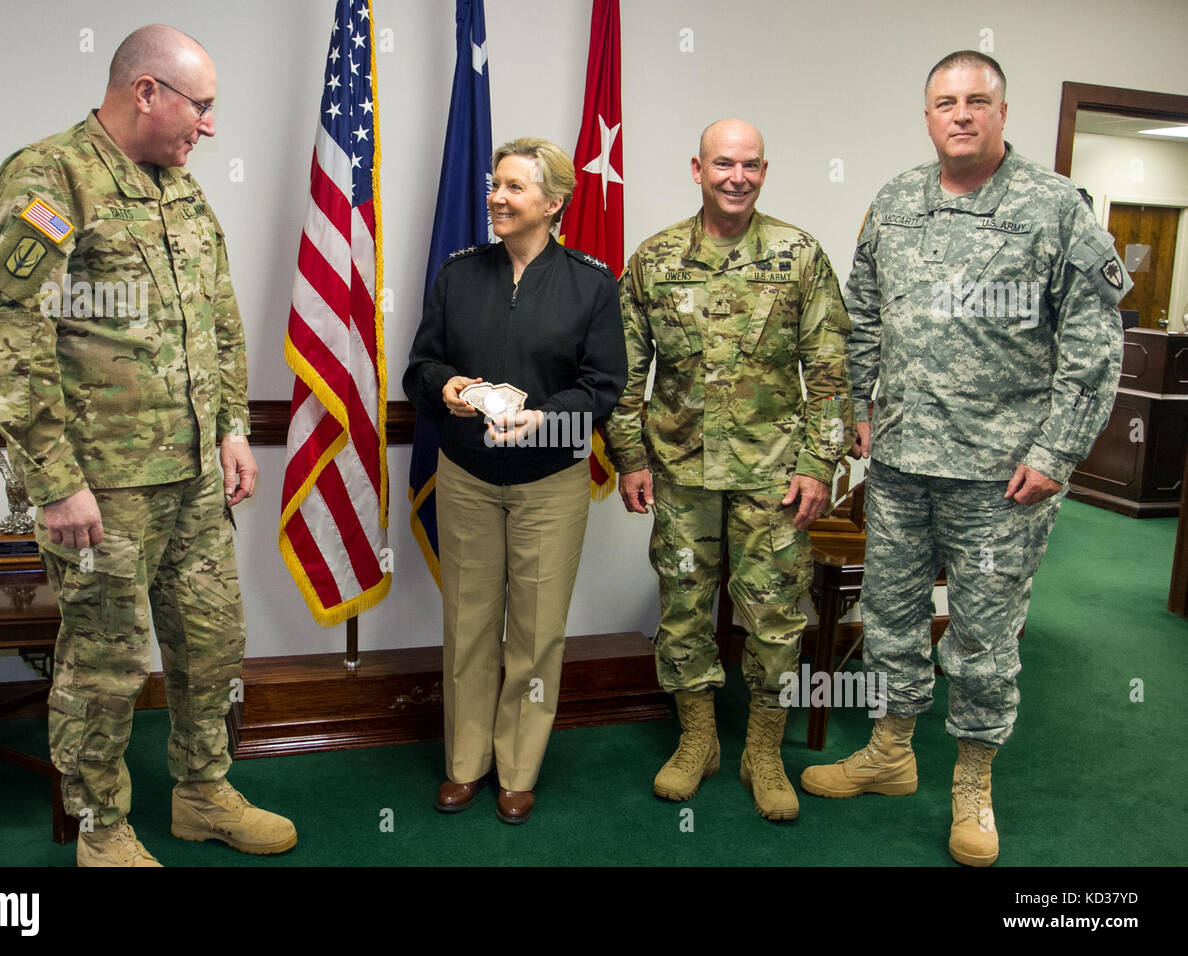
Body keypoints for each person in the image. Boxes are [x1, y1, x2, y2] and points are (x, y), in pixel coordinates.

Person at [800, 51, 1130, 866]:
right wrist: (858, 410)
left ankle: (974, 782)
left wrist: (1058, 452)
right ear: (927, 116)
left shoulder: (1056, 209)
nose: (960, 115)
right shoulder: (897, 200)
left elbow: (1094, 345)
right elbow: (863, 314)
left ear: (1002, 113)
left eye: (976, 101)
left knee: (983, 639)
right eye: (945, 102)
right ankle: (890, 754)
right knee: (889, 619)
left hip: (1003, 476)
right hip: (904, 464)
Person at [0, 24, 295, 866]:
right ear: (146, 90)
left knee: (211, 644)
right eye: (203, 105)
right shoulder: (49, 180)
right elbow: (13, 338)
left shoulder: (180, 188)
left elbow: (219, 319)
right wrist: (54, 482)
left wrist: (231, 428)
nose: (211, 125)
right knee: (107, 665)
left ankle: (201, 793)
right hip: (102, 487)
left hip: (192, 476)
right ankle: (102, 828)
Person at [605, 119, 854, 822]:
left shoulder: (798, 254)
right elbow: (626, 375)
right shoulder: (654, 259)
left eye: (749, 165)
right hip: (681, 472)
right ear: (698, 169)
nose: (736, 176)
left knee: (776, 617)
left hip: (774, 475)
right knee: (683, 610)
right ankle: (698, 742)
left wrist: (817, 465)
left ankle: (763, 749)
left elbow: (831, 373)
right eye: (723, 163)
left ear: (764, 171)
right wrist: (629, 457)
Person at [404, 138, 627, 825]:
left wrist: (544, 419)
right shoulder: (459, 273)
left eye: (514, 189)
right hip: (467, 473)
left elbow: (604, 387)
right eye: (495, 185)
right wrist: (450, 386)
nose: (497, 198)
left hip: (550, 480)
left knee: (535, 633)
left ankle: (518, 767)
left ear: (552, 204)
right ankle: (465, 763)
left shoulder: (591, 283)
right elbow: (420, 367)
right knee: (468, 623)